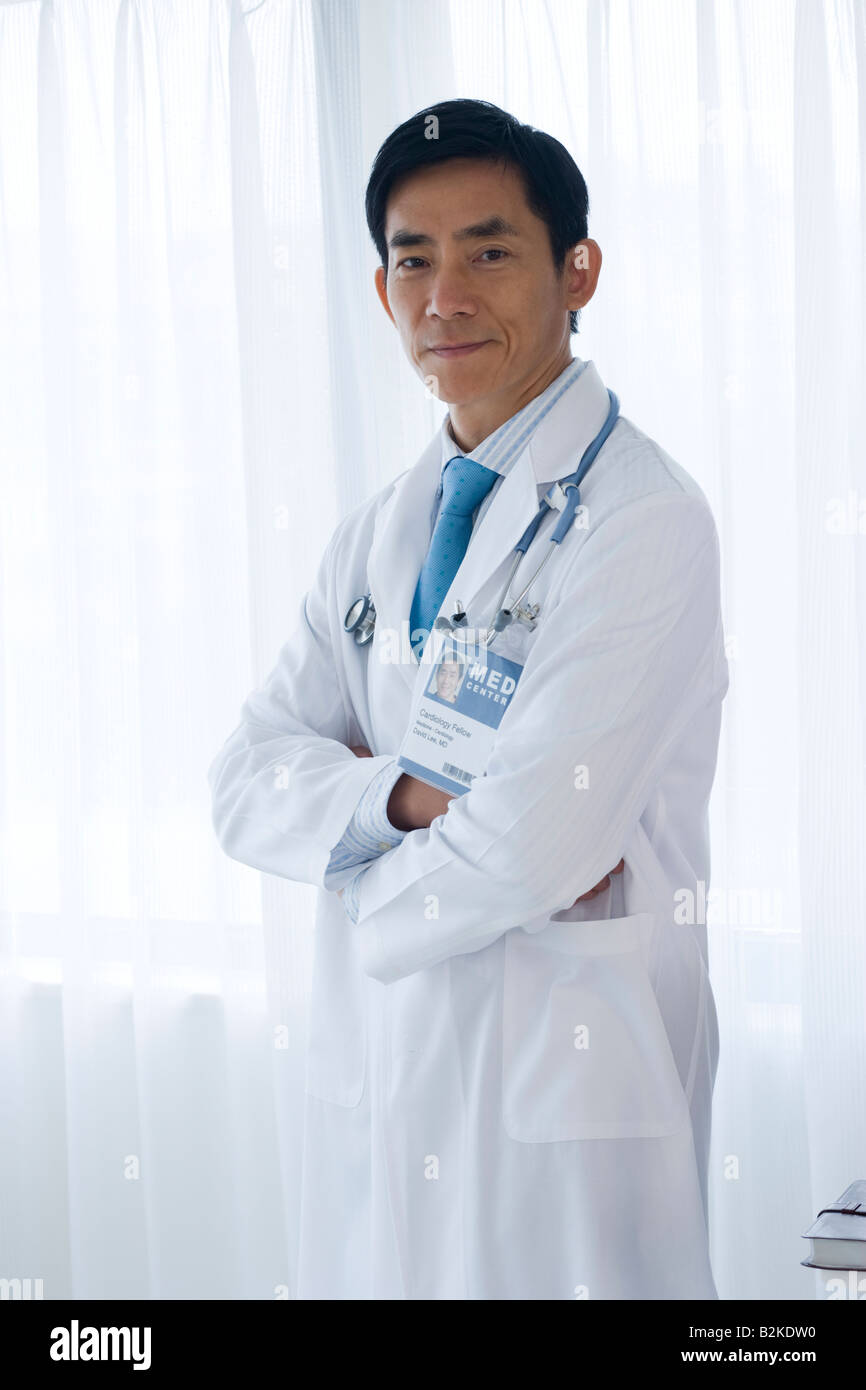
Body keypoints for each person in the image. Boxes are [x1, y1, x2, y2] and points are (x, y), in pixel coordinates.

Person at [208, 98, 728, 1300]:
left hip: (558, 1099)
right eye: (412, 257)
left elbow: (533, 843)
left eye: (488, 251)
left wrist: (348, 860)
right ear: (380, 287)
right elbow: (240, 784)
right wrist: (406, 793)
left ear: (576, 267)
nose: (444, 295)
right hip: (381, 1083)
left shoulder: (642, 521)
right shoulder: (376, 529)